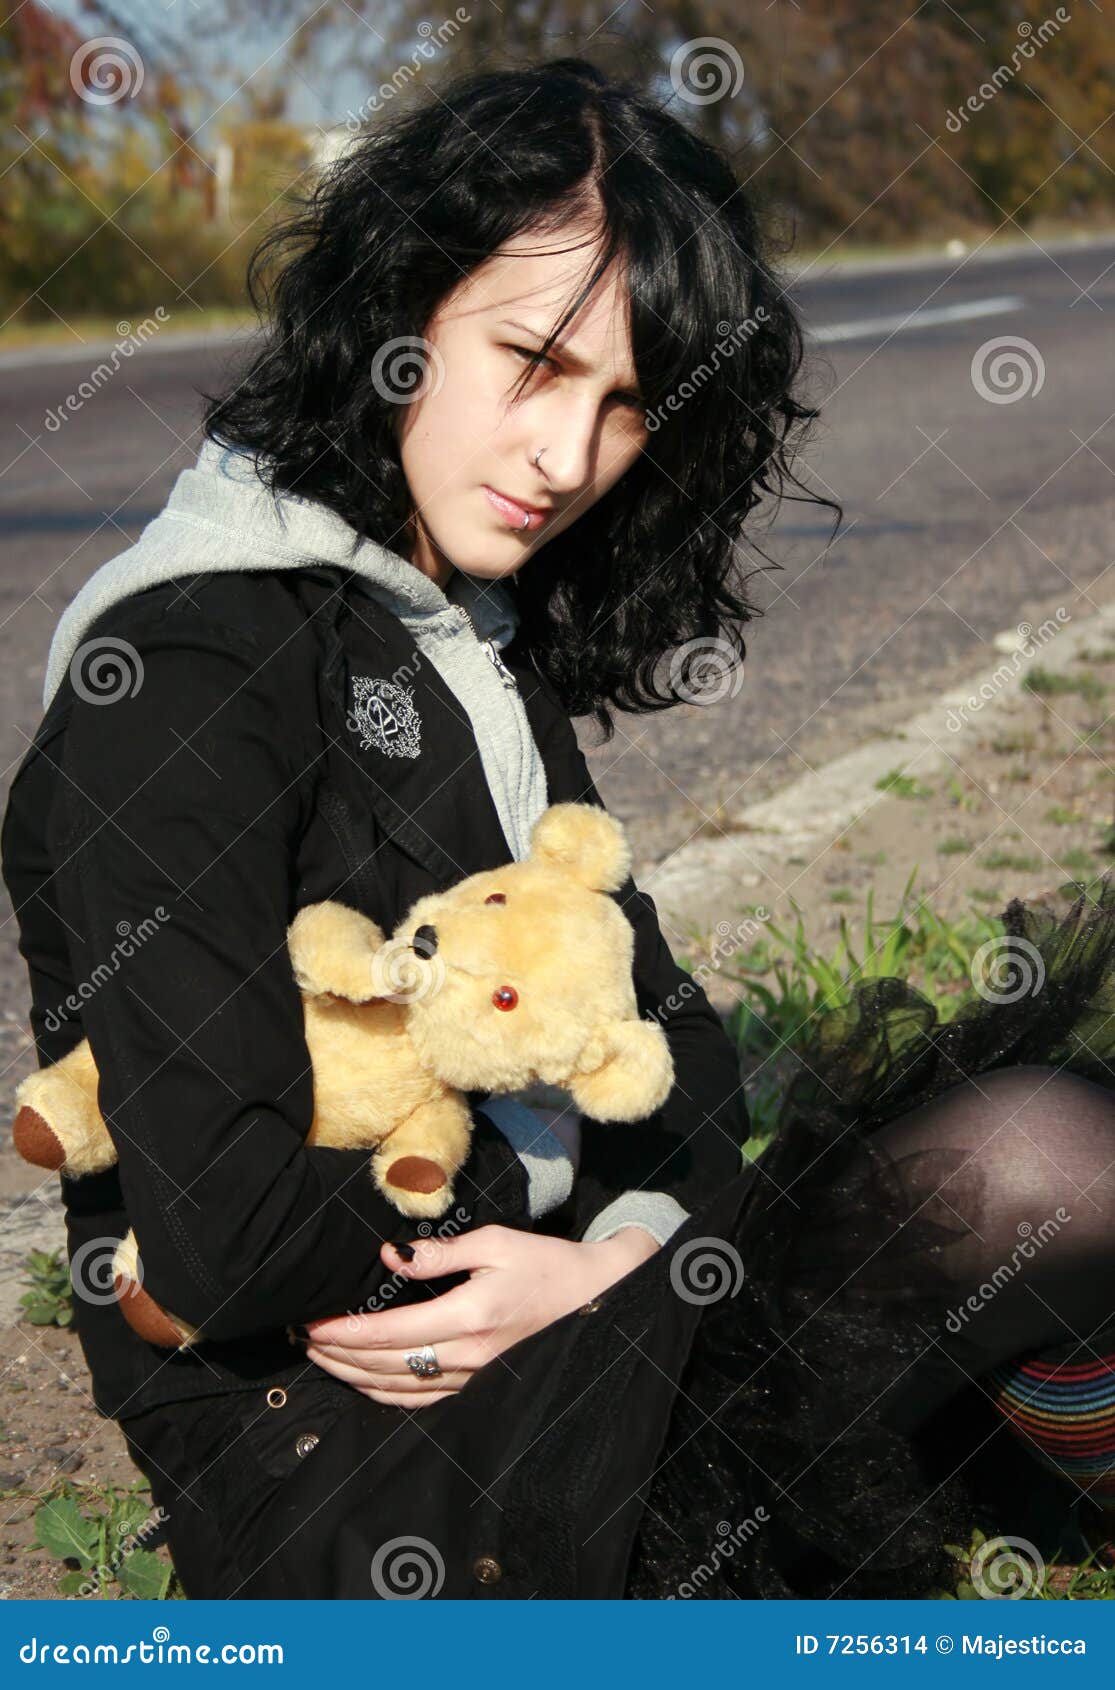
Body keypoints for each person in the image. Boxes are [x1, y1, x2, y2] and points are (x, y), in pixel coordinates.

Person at [4, 55, 1115, 1602]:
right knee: (1026, 1172)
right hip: (344, 1463)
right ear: (399, 313)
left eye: (619, 405)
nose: (563, 456)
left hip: (562, 1320)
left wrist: (610, 1257)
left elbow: (680, 1062)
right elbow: (228, 1240)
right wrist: (566, 1236)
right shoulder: (182, 669)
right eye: (529, 360)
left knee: (1051, 1141)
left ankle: (1034, 1425)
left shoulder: (468, 645)